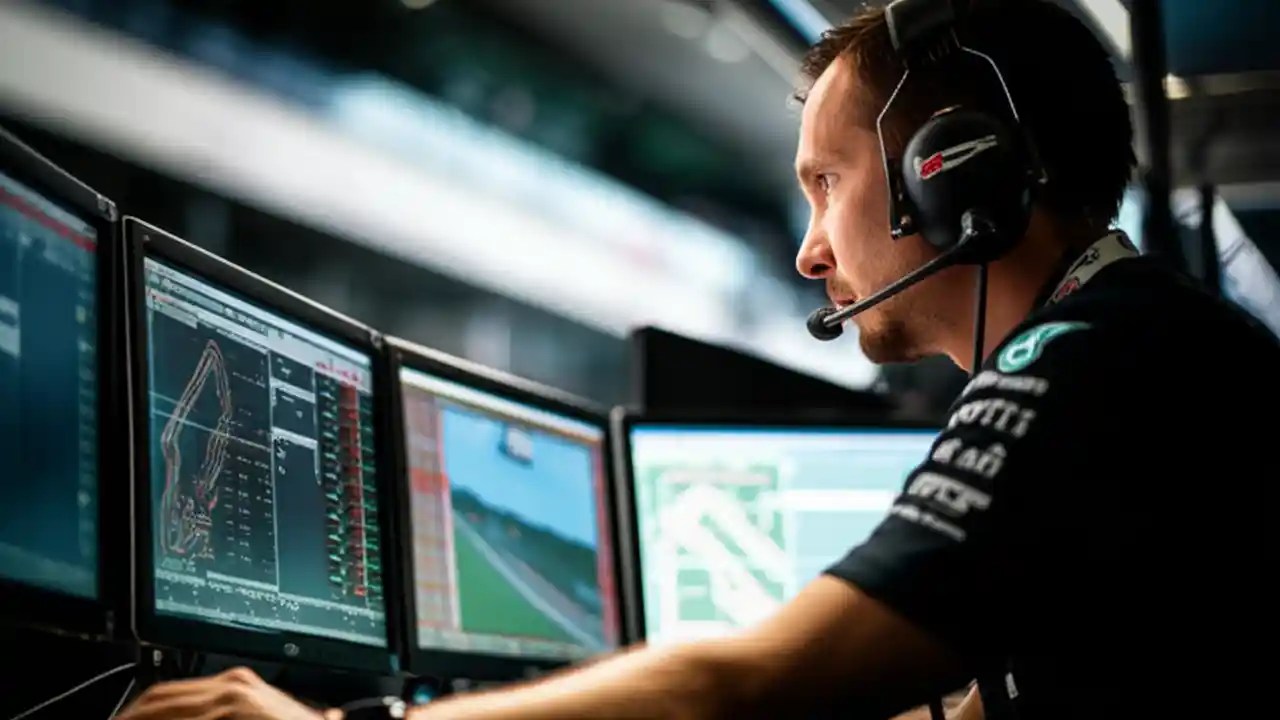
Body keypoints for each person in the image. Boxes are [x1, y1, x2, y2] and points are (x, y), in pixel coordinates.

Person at [117, 1, 1280, 719]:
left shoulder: (1082, 366)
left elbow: (748, 688)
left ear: (949, 174)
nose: (809, 249)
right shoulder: (1135, 343)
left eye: (826, 183)